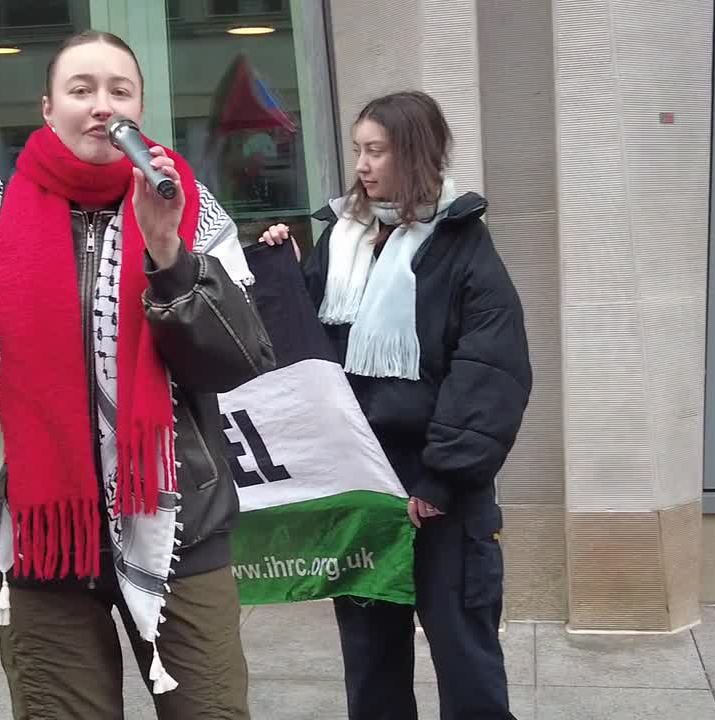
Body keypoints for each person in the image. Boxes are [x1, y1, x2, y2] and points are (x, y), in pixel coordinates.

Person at [0, 30, 273, 720]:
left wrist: (170, 254)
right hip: (38, 536)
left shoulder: (189, 209)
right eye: (81, 90)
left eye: (120, 90)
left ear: (141, 108)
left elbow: (237, 360)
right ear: (48, 109)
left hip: (178, 525)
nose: (101, 106)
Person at [260, 91, 532, 720]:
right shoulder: (342, 240)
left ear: (416, 153)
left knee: (467, 665)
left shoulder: (463, 246)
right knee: (372, 665)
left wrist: (440, 480)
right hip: (362, 489)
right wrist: (291, 273)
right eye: (358, 149)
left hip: (440, 495)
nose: (362, 164)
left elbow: (491, 375)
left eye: (376, 150)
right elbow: (312, 351)